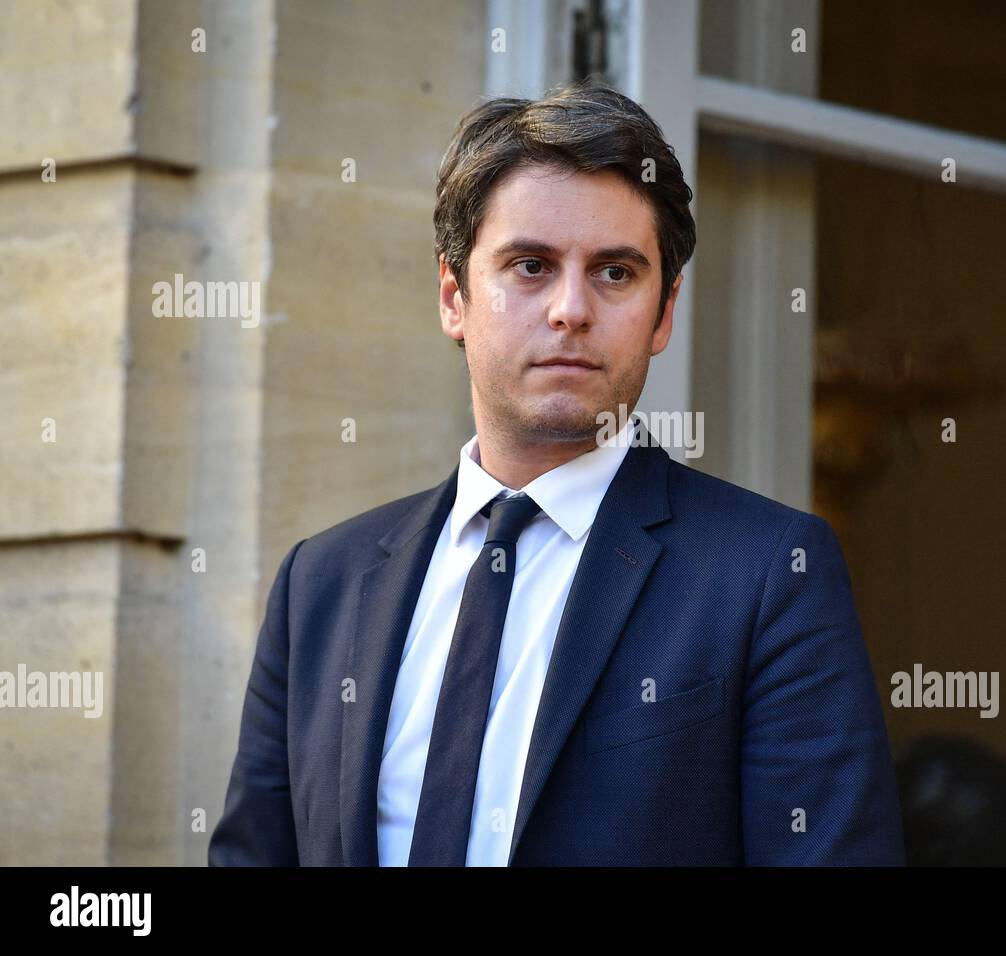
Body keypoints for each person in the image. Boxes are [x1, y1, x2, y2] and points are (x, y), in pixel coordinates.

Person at [208, 79, 903, 866]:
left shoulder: (768, 573)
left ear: (664, 312)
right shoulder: (319, 587)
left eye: (615, 273)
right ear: (453, 296)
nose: (572, 308)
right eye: (531, 265)